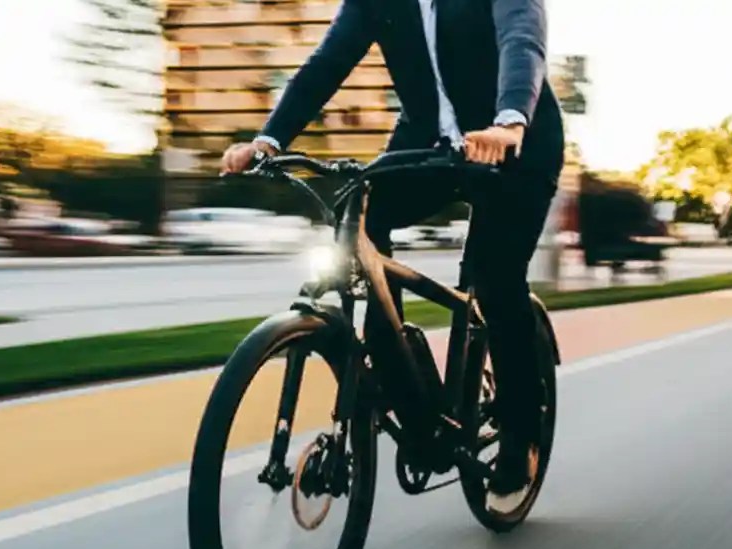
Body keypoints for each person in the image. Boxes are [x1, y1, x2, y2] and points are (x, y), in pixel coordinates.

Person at [221, 0, 564, 516]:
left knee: (495, 282)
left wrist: (511, 119)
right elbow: (325, 64)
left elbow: (523, 36)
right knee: (361, 218)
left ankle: (520, 438)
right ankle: (404, 380)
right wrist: (269, 140)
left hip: (512, 146)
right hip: (428, 143)